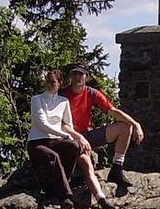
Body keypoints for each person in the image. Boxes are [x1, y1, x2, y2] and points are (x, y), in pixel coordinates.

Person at [27, 68, 116, 209]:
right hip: (38, 141)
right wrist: (64, 135)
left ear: (59, 83)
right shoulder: (37, 99)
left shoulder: (63, 101)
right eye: (47, 82)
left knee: (74, 147)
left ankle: (60, 185)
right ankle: (65, 196)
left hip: (56, 140)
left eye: (53, 82)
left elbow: (68, 124)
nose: (49, 85)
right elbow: (42, 123)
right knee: (52, 156)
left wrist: (75, 138)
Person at [61, 66, 144, 194]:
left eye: (81, 75)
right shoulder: (62, 94)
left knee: (126, 127)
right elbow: (58, 122)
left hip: (88, 135)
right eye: (75, 74)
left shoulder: (91, 93)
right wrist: (76, 136)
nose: (78, 77)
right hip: (69, 137)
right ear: (71, 77)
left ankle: (116, 169)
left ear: (86, 77)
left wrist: (136, 124)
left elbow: (113, 111)